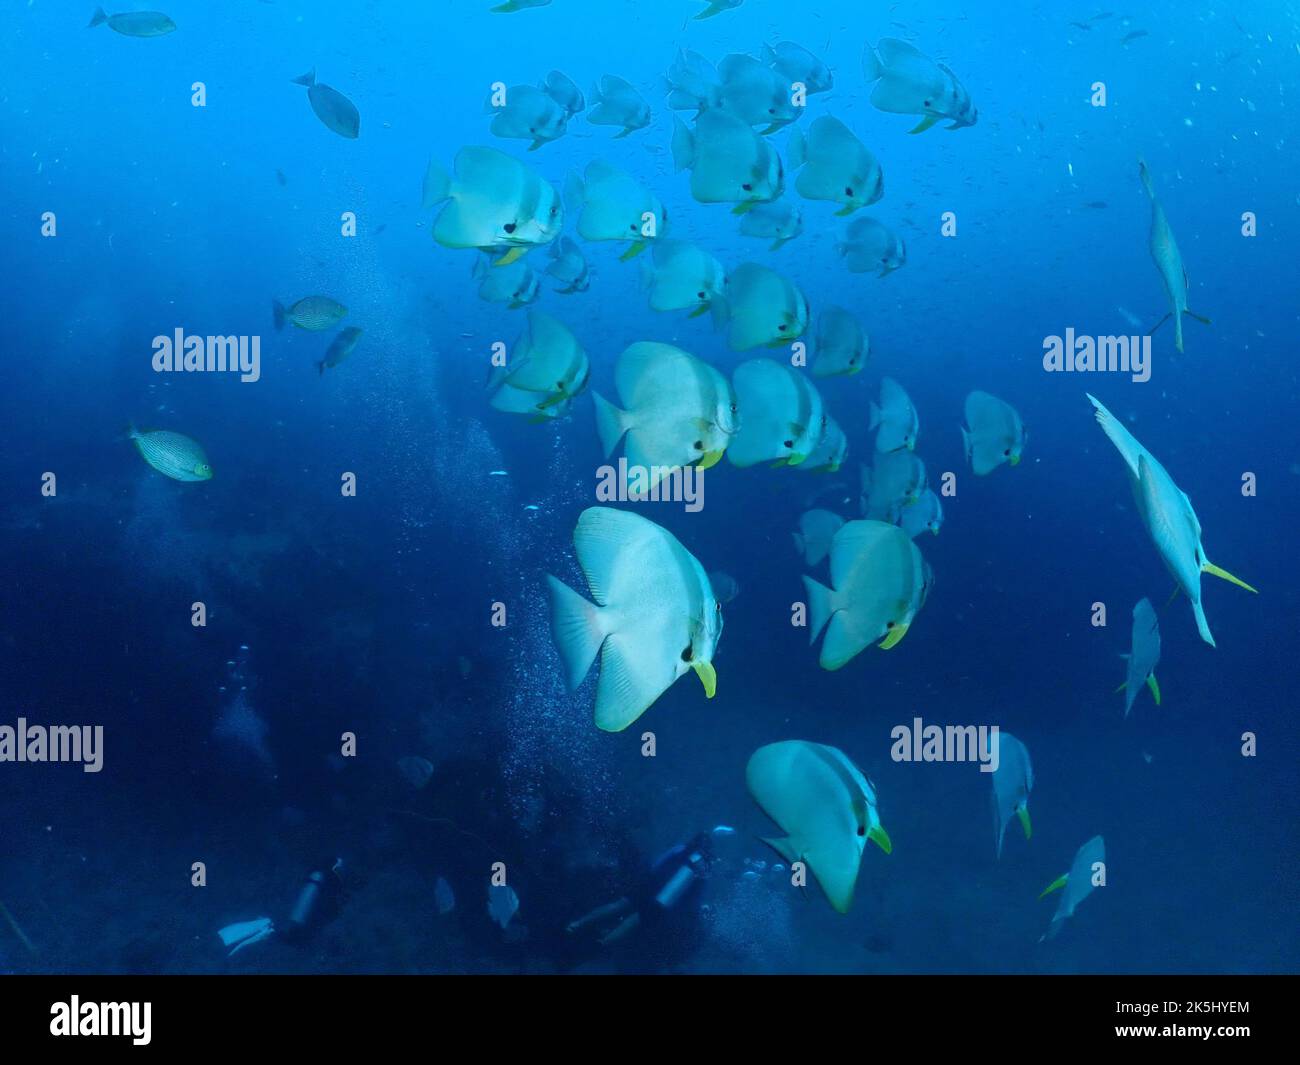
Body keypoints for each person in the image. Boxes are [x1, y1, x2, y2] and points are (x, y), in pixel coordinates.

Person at [566, 832, 714, 946]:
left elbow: (657, 864)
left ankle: (577, 924)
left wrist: (645, 879)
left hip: (650, 884)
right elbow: (696, 896)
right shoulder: (704, 868)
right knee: (634, 920)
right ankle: (602, 943)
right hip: (663, 900)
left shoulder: (681, 848)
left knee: (618, 905)